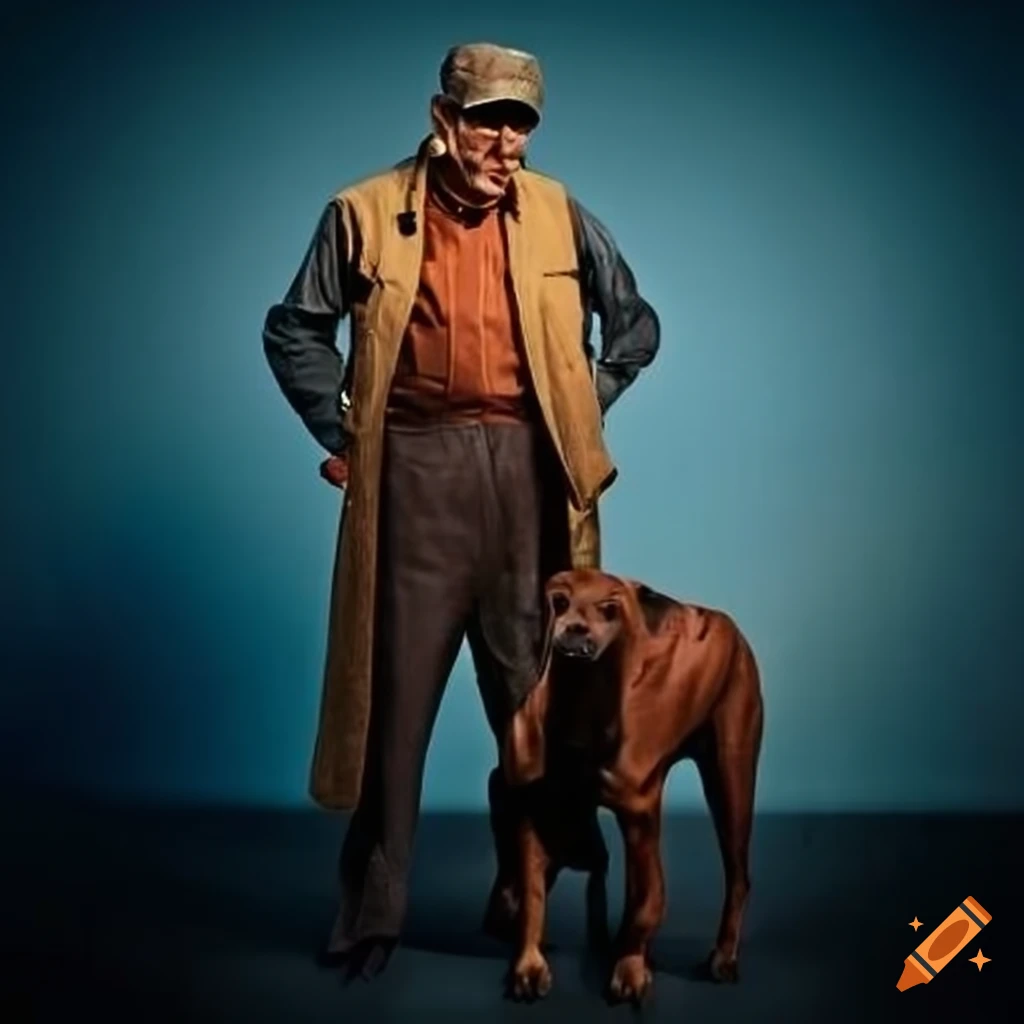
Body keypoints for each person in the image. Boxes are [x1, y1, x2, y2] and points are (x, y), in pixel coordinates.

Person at [262, 41, 660, 978]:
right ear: (444, 118)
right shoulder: (363, 211)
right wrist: (343, 429)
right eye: (489, 121)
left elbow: (634, 327)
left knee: (537, 702)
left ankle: (528, 892)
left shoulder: (561, 213)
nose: (506, 143)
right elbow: (296, 329)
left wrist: (578, 407)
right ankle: (372, 916)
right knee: (394, 702)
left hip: (529, 475)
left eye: (521, 125)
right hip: (415, 470)